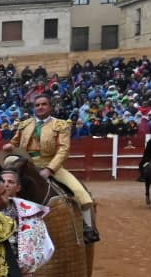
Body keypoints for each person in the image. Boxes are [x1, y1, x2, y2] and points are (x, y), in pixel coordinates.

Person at [6, 92, 97, 242]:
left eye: (44, 104)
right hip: (26, 164)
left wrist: (49, 169)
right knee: (3, 186)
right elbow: (15, 143)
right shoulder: (25, 124)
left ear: (51, 107)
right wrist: (10, 146)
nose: (40, 107)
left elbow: (63, 150)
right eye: (37, 105)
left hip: (52, 165)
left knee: (82, 194)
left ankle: (88, 228)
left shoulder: (61, 125)